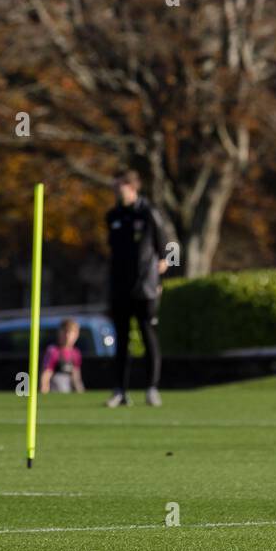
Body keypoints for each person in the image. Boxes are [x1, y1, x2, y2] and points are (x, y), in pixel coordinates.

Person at [105, 169, 170, 408]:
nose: (116, 193)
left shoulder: (149, 213)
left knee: (148, 336)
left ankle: (151, 388)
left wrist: (157, 281)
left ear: (132, 188)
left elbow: (164, 252)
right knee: (121, 341)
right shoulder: (113, 216)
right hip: (120, 288)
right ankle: (120, 391)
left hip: (145, 289)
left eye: (119, 188)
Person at [40, 318, 85, 394]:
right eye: (64, 332)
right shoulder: (53, 351)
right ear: (59, 333)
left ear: (76, 335)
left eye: (71, 332)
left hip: (68, 394)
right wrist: (44, 392)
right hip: (54, 394)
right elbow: (46, 375)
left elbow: (76, 377)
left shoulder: (76, 353)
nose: (67, 336)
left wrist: (80, 392)